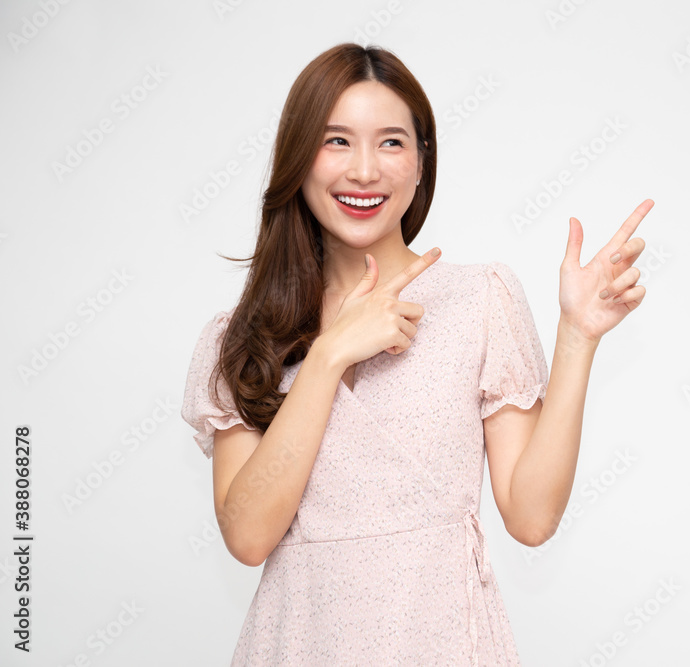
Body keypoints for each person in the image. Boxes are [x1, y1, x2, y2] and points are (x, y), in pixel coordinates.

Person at [180, 42, 653, 665]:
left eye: (392, 142)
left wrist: (578, 336)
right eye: (337, 141)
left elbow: (532, 518)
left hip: (443, 644)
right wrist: (328, 357)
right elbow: (246, 535)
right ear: (298, 158)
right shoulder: (241, 338)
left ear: (423, 162)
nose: (365, 171)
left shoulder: (477, 299)